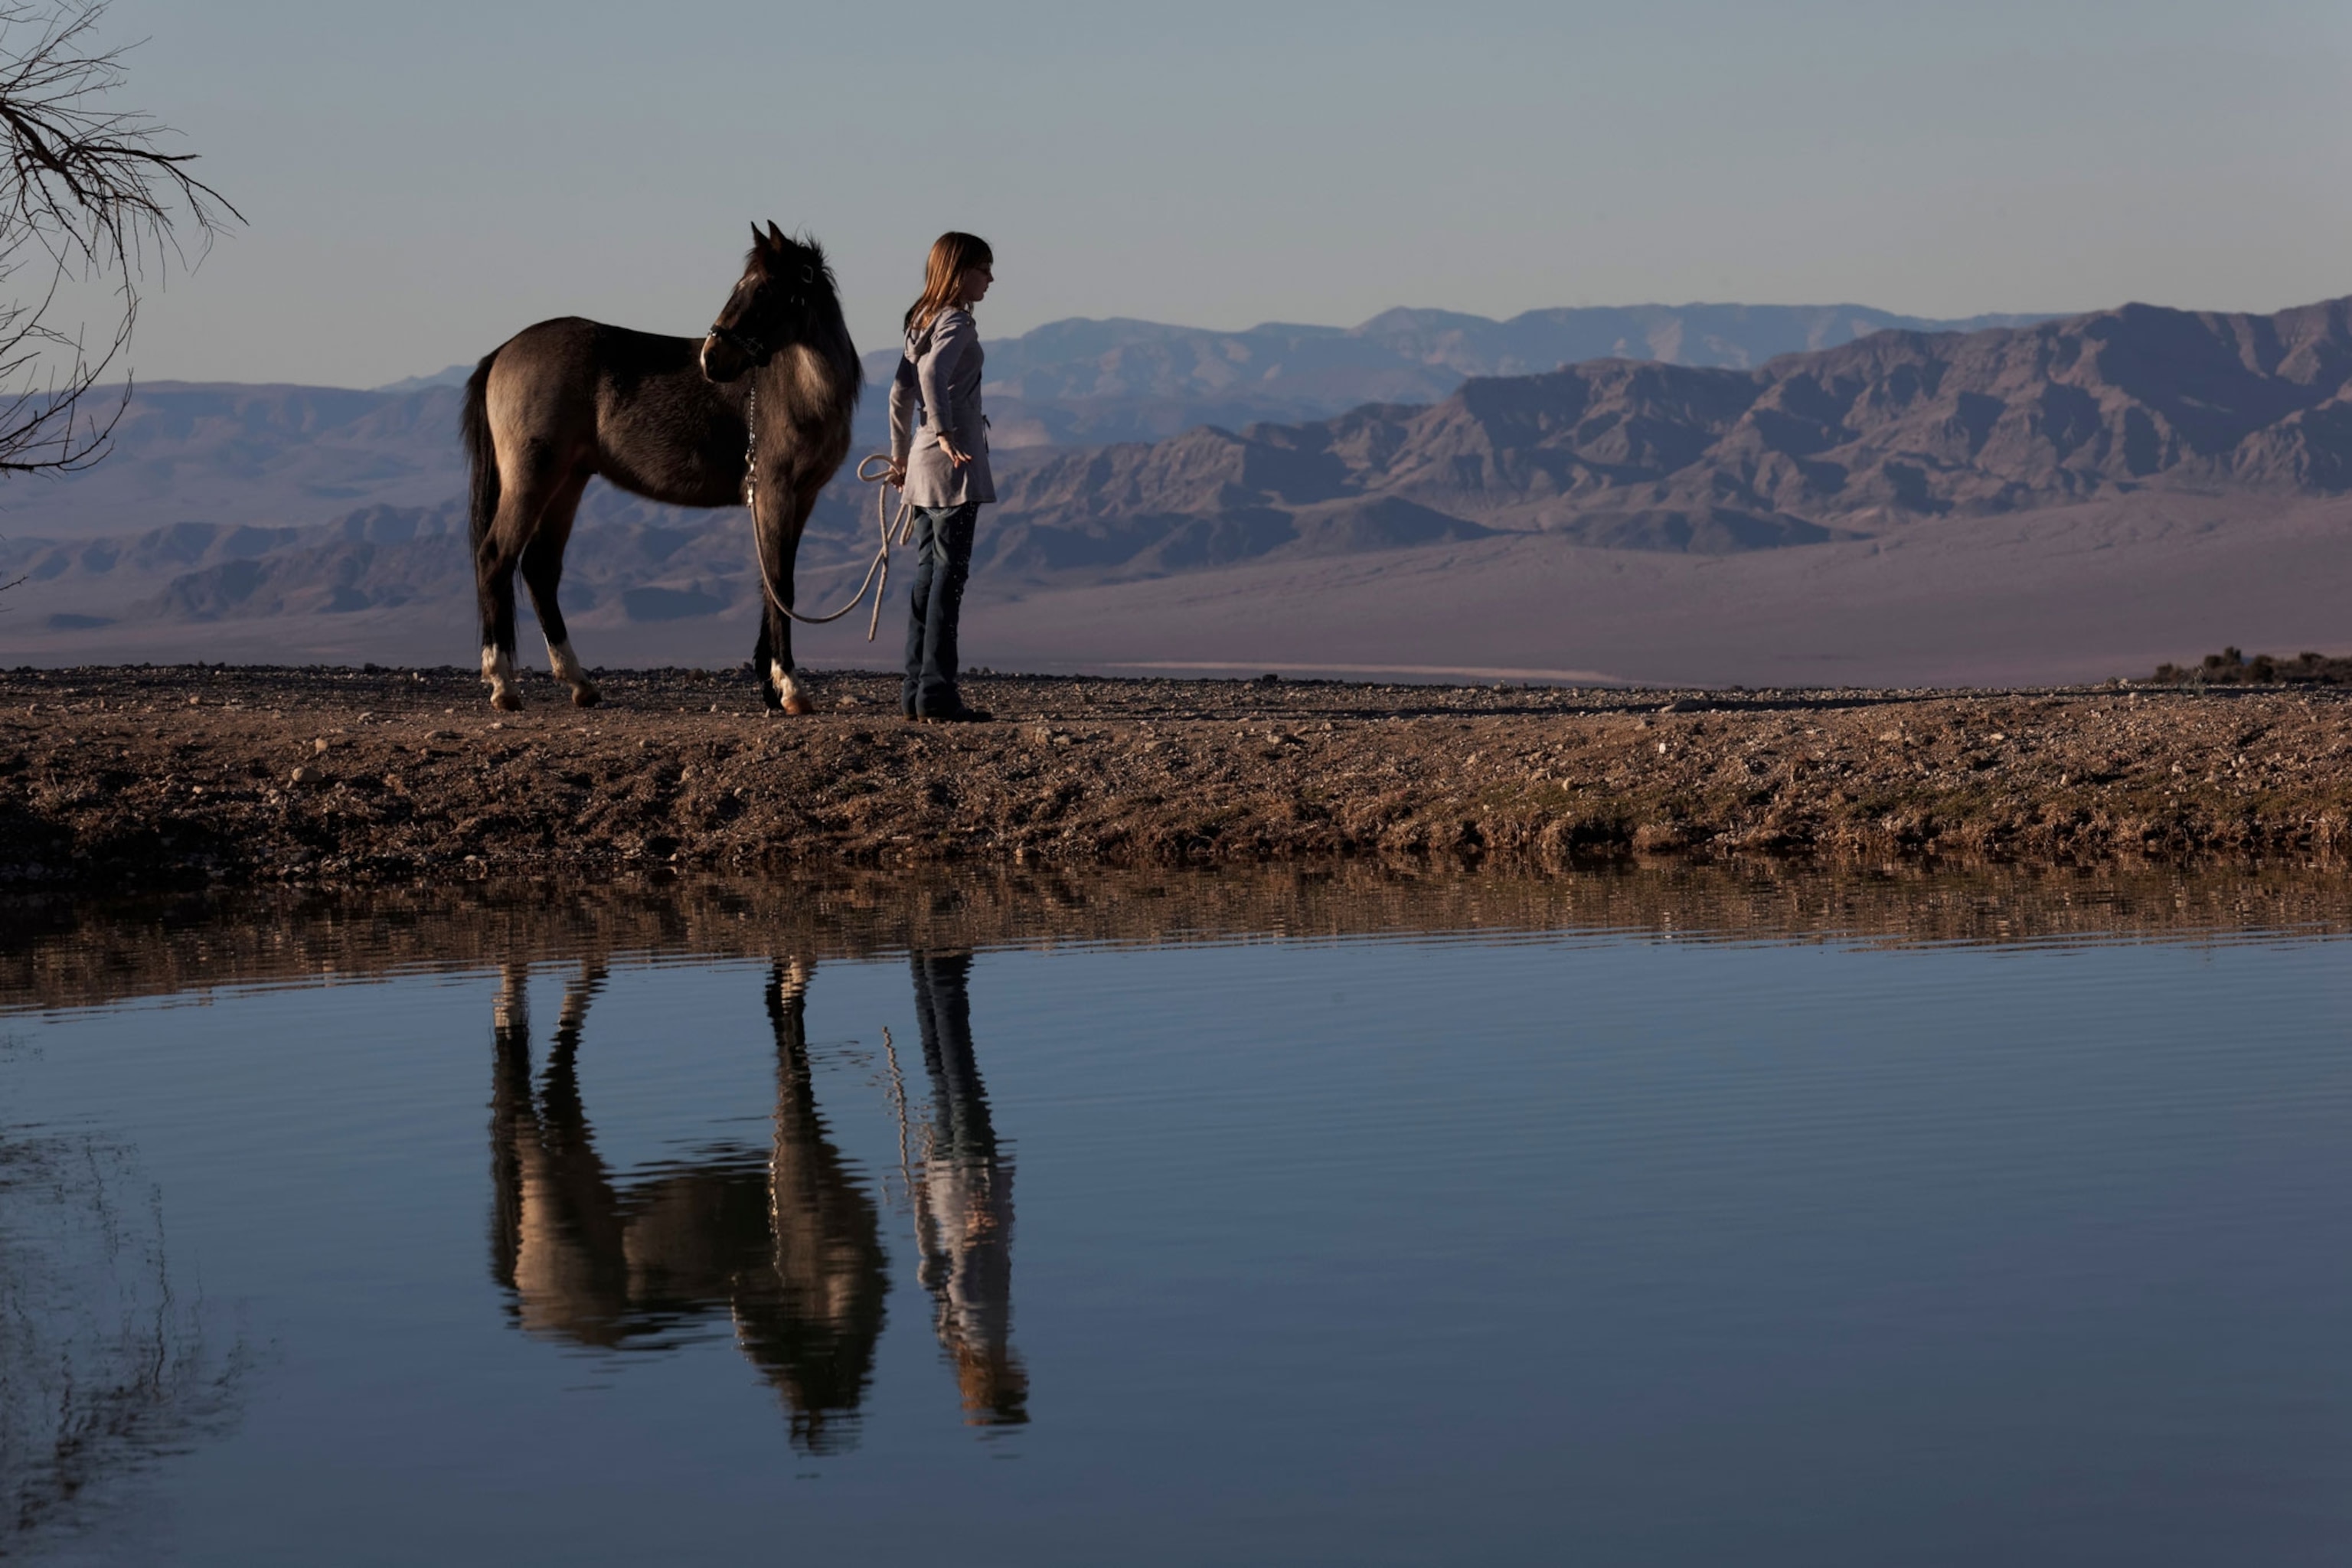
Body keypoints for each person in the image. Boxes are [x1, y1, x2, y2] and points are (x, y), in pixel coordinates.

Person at [887, 232, 996, 723]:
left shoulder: (919, 321)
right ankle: (937, 694)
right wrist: (947, 432)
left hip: (922, 464)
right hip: (954, 465)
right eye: (983, 269)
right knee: (948, 580)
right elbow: (930, 376)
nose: (990, 279)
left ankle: (916, 692)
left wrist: (900, 457)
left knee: (928, 575)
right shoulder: (955, 321)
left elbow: (899, 393)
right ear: (959, 272)